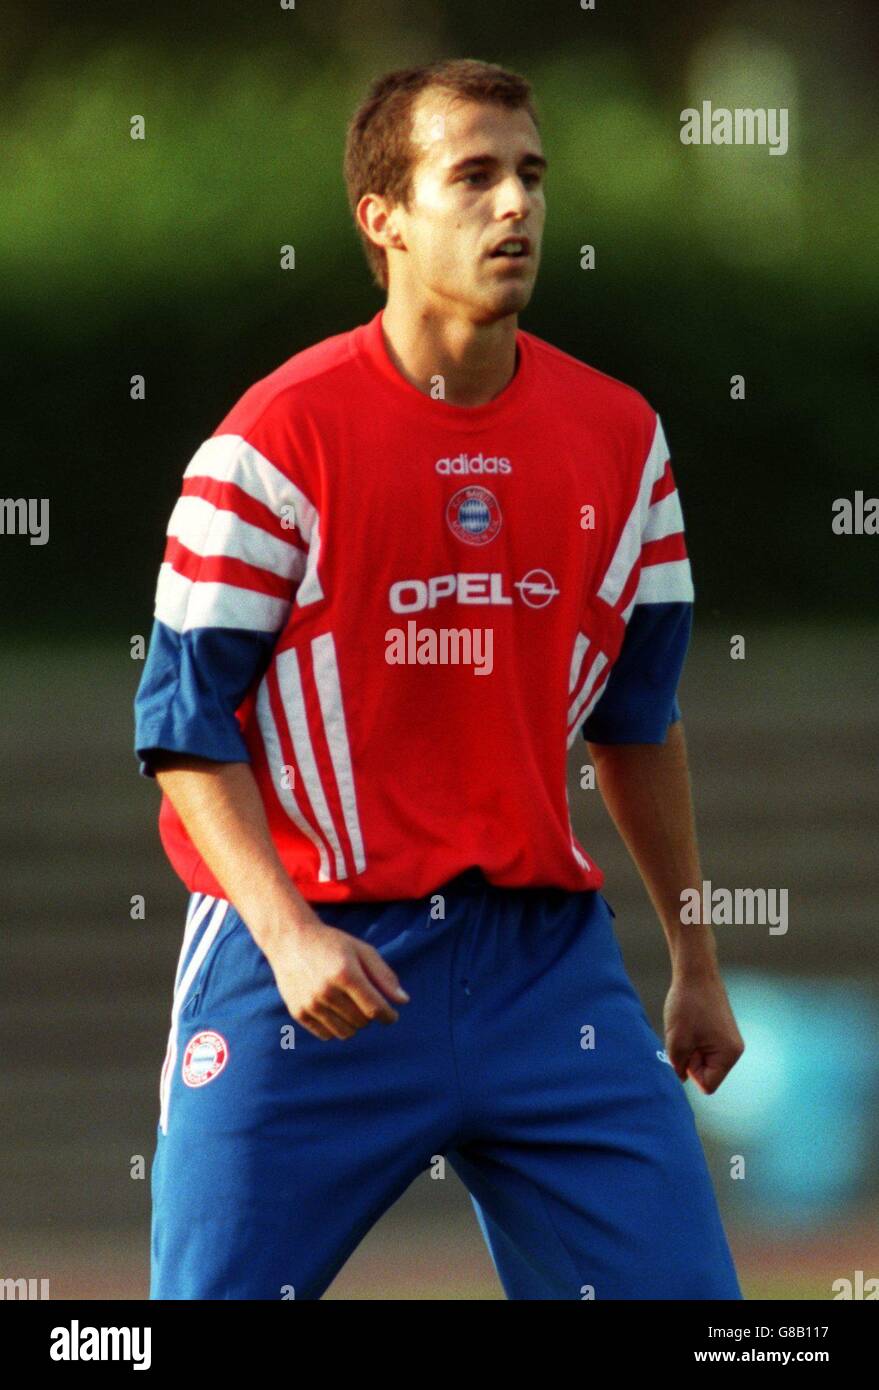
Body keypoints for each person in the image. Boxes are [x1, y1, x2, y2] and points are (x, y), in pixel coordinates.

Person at [134, 57, 744, 1300]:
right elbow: (183, 726)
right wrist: (291, 935)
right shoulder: (272, 441)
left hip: (545, 970)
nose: (515, 206)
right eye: (473, 176)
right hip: (310, 960)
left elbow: (637, 720)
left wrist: (694, 958)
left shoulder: (623, 441)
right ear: (386, 217)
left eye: (529, 176)